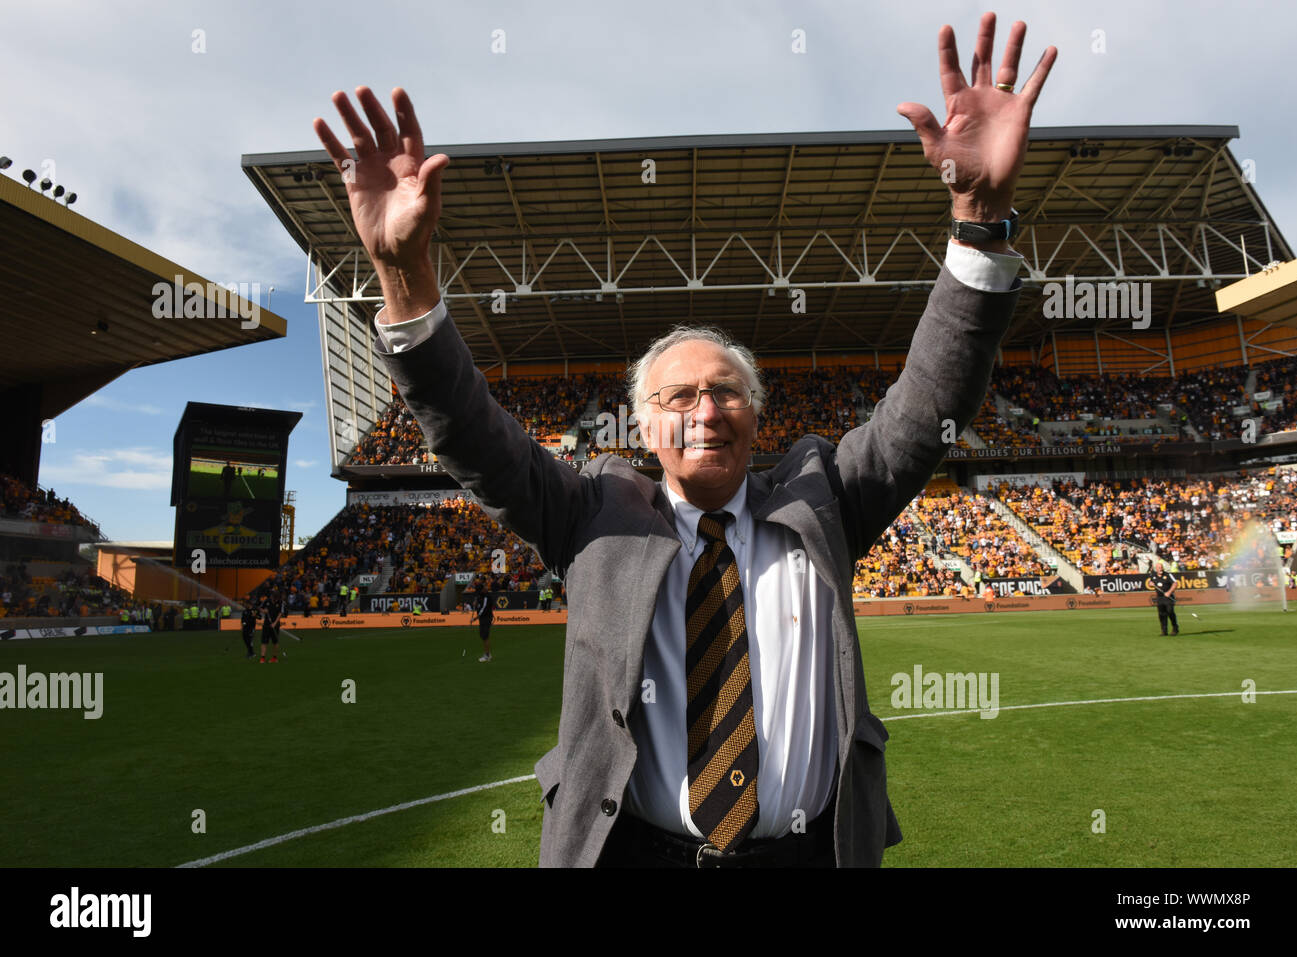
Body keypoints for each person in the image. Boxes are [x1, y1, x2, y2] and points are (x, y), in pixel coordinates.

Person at [314, 12, 1055, 868]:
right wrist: (404, 276)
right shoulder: (591, 512)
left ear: (757, 414)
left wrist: (980, 218)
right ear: (643, 426)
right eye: (678, 397)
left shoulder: (826, 498)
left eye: (725, 392)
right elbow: (475, 438)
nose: (704, 410)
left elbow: (930, 403)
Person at [1148, 559, 1179, 636]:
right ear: (1156, 569)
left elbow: (1175, 583)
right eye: (1159, 568)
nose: (1160, 569)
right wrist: (1150, 584)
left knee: (1170, 612)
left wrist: (1169, 592)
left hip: (1168, 597)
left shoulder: (1168, 575)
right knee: (1161, 614)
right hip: (1160, 598)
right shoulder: (1153, 576)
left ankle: (1175, 627)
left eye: (1161, 567)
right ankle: (1164, 630)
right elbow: (1150, 583)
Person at [260, 594, 283, 663]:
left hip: (275, 625)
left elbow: (280, 613)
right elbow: (260, 608)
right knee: (264, 641)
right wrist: (264, 611)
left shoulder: (280, 602)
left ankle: (274, 658)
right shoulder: (266, 601)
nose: (274, 599)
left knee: (275, 642)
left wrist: (275, 623)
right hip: (266, 624)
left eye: (275, 598)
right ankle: (263, 658)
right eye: (273, 598)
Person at [474, 587, 494, 662]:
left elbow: (484, 608)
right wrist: (475, 604)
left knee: (485, 636)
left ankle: (487, 655)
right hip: (482, 618)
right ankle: (487, 654)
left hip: (486, 618)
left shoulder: (487, 597)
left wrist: (476, 617)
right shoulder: (480, 596)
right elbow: (479, 606)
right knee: (483, 636)